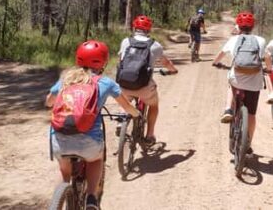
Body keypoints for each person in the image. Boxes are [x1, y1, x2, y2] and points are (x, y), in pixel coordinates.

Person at [46, 40, 141, 210]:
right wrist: (136, 114)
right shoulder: (105, 83)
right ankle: (91, 197)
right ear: (103, 62)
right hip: (88, 141)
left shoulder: (66, 79)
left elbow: (49, 102)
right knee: (96, 159)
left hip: (59, 138)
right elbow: (126, 106)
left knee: (64, 171)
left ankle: (56, 204)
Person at [117, 15, 178, 145]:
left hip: (124, 84)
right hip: (144, 87)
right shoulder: (155, 45)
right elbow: (166, 63)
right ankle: (150, 135)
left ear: (134, 27)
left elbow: (120, 62)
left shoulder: (125, 41)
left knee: (125, 98)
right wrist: (173, 70)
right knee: (154, 105)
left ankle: (122, 119)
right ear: (149, 29)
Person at [212, 11, 266, 155]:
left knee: (231, 82)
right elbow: (266, 59)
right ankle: (247, 144)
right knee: (252, 115)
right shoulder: (261, 40)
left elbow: (219, 56)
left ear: (238, 26)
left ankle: (228, 109)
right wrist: (270, 69)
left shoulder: (233, 40)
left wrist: (215, 63)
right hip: (254, 82)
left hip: (237, 78)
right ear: (253, 26)